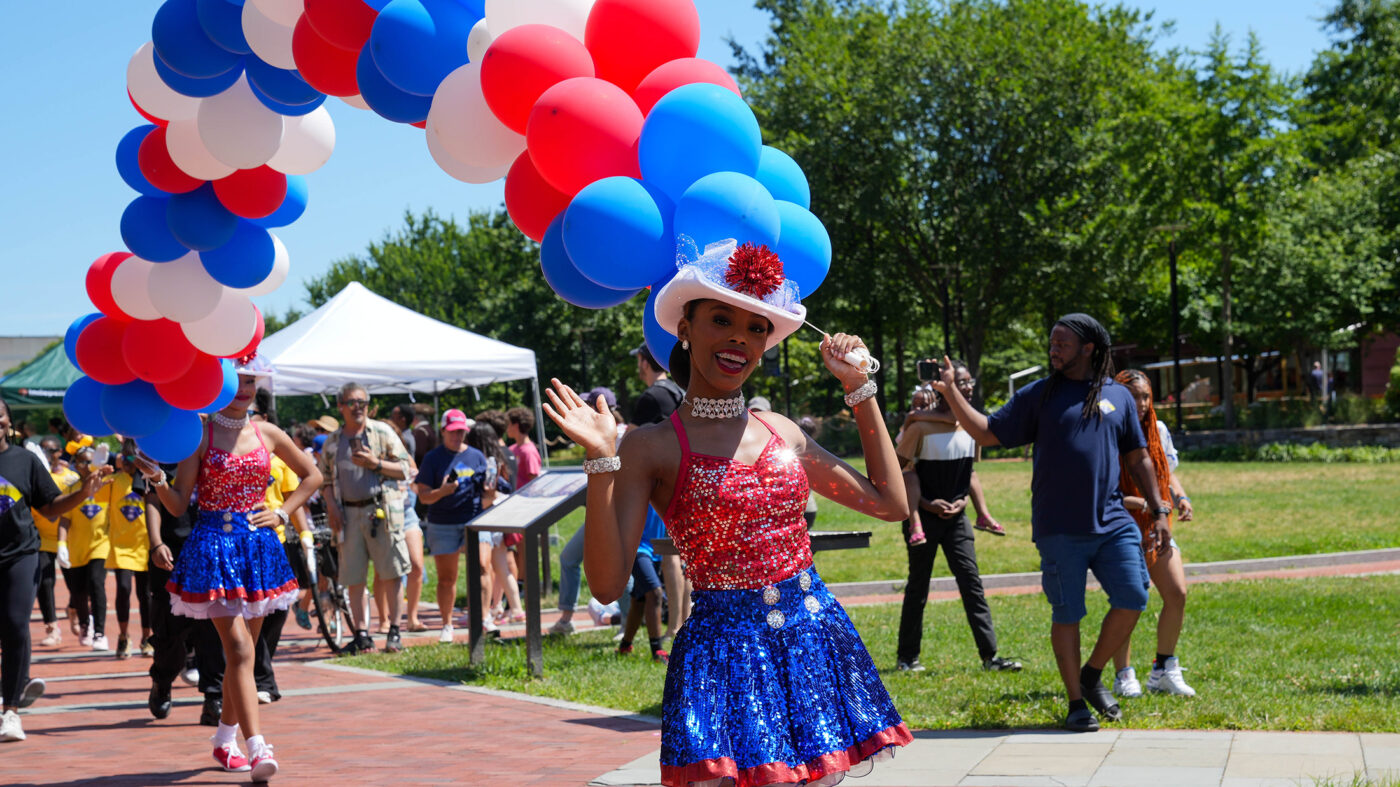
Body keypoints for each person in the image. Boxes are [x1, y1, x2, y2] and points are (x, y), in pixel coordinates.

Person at [544, 237, 912, 785]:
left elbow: (890, 502)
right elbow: (604, 585)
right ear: (685, 327)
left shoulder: (781, 430)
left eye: (757, 326)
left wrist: (860, 390)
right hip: (724, 659)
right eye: (721, 319)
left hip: (811, 638)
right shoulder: (651, 445)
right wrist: (601, 461)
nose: (740, 336)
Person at [931, 313, 1170, 733]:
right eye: (1052, 342)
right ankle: (1076, 703)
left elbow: (1138, 456)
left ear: (1088, 348)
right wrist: (951, 391)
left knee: (1134, 596)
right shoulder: (1040, 395)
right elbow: (987, 432)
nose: (1053, 349)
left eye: (1062, 343)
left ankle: (1092, 675)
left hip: (1113, 520)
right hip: (1060, 525)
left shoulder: (1117, 396)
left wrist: (1160, 508)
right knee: (1068, 612)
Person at [149, 355, 322, 779]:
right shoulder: (200, 434)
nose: (244, 389)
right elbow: (177, 502)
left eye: (250, 381)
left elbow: (313, 476)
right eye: (236, 381)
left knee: (240, 658)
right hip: (212, 548)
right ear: (219, 383)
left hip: (260, 550)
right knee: (241, 650)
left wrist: (282, 512)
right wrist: (157, 480)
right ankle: (257, 746)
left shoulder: (267, 432)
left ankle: (224, 740)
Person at [894, 360, 1021, 674]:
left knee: (971, 584)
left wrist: (963, 502)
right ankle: (907, 658)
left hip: (958, 517)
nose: (966, 386)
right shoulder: (920, 427)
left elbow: (970, 473)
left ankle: (990, 657)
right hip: (923, 517)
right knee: (918, 587)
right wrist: (927, 504)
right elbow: (900, 473)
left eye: (968, 381)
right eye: (959, 381)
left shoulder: (972, 428)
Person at [0, 398, 112, 742]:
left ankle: (11, 712)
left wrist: (83, 491)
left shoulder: (24, 461)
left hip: (21, 555)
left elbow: (50, 507)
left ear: (9, 421)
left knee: (16, 624)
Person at [1110, 369, 1197, 698]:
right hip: (1121, 526)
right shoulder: (1108, 431)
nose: (1142, 403)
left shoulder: (1157, 429)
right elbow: (1106, 491)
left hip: (1157, 524)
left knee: (1177, 593)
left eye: (1146, 396)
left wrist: (1181, 497)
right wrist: (1144, 502)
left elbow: (1166, 474)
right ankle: (1123, 674)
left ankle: (1163, 669)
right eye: (1134, 396)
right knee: (1129, 601)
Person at [317, 383, 413, 655]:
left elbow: (406, 468)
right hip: (346, 515)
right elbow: (323, 479)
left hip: (380, 512)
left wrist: (376, 464)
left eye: (363, 402)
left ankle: (394, 632)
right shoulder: (333, 442)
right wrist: (332, 505)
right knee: (353, 576)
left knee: (392, 573)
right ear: (340, 407)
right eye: (352, 402)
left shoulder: (382, 433)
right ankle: (362, 635)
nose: (358, 407)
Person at [143, 461, 227, 726]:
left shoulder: (219, 450)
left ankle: (213, 697)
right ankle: (162, 680)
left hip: (212, 551)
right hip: (171, 553)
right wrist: (156, 543)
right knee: (169, 631)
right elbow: (152, 500)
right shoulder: (161, 450)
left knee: (212, 628)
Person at [415, 410, 499, 642]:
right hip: (442, 523)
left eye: (461, 431)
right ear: (443, 431)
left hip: (473, 520)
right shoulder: (433, 458)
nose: (457, 436)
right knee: (447, 578)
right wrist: (442, 491)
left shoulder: (477, 456)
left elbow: (486, 494)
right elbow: (423, 497)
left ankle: (483, 619)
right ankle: (447, 624)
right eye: (452, 431)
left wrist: (490, 492)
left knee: (483, 566)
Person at [467, 423, 523, 625]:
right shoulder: (504, 455)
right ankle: (515, 608)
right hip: (501, 518)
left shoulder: (486, 461)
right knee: (502, 567)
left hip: (487, 518)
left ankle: (485, 612)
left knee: (485, 568)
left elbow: (488, 491)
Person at [59, 446, 113, 651]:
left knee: (96, 584)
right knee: (78, 591)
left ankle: (100, 632)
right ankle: (84, 624)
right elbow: (64, 520)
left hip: (100, 545)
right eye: (81, 461)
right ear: (75, 465)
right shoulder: (71, 490)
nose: (86, 465)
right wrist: (61, 544)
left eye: (89, 461)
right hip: (76, 548)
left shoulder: (107, 485)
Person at [106, 443, 153, 659]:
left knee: (146, 595)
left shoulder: (147, 480)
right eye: (122, 457)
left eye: (130, 457)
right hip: (121, 546)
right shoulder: (115, 481)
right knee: (123, 589)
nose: (125, 461)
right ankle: (124, 636)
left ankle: (147, 637)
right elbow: (92, 493)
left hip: (144, 545)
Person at [32, 439, 77, 647]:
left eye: (51, 450)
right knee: (46, 581)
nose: (48, 454)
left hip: (68, 537)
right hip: (41, 537)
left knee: (77, 584)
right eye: (43, 450)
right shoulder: (36, 474)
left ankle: (75, 609)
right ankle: (52, 627)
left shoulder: (71, 477)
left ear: (59, 452)